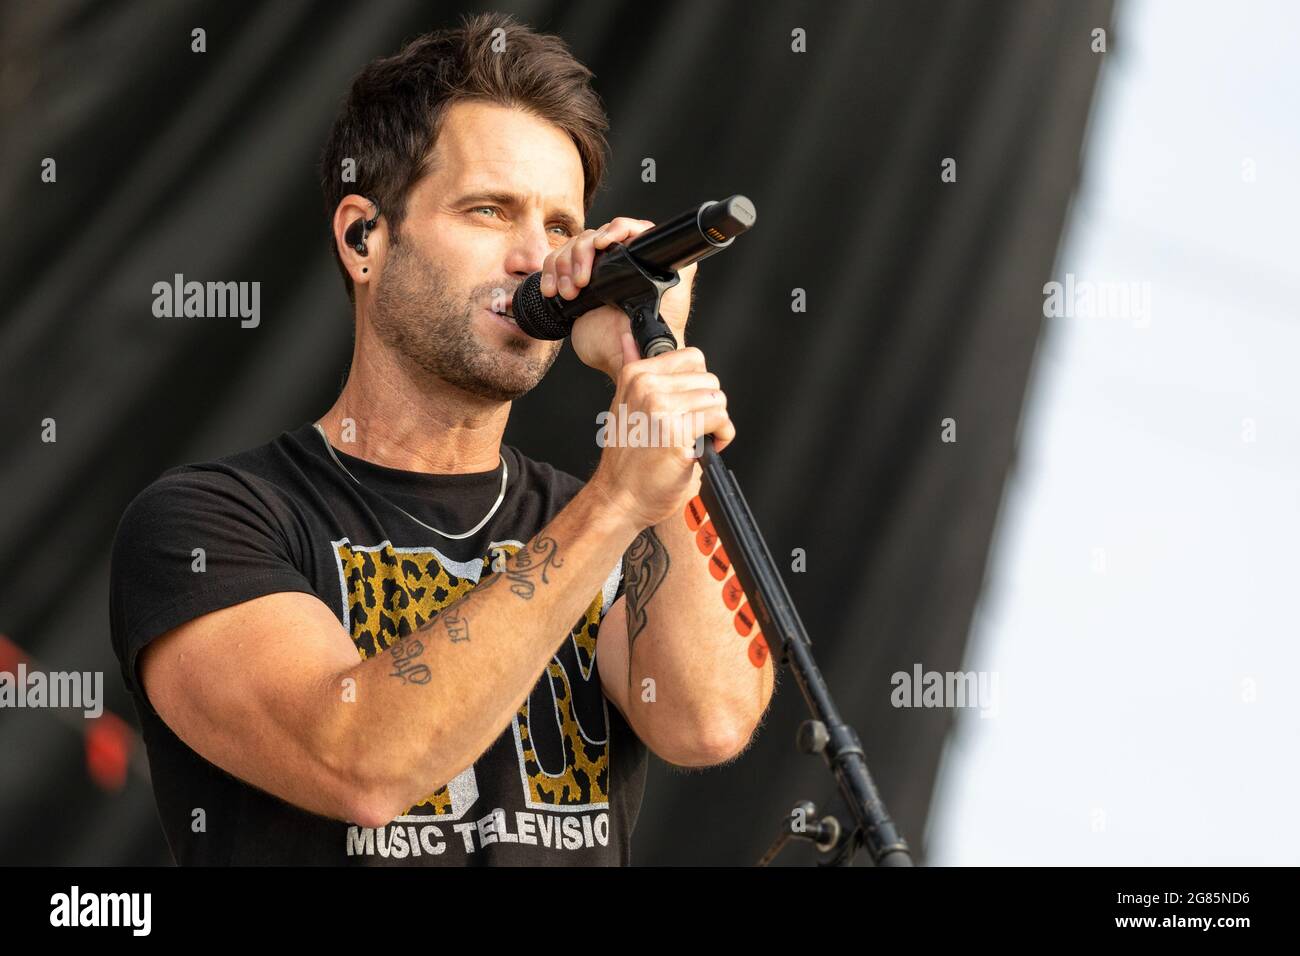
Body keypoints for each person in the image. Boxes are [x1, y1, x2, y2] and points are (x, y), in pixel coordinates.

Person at [109, 12, 774, 866]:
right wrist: (615, 505)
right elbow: (362, 766)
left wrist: (650, 357)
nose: (536, 257)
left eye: (563, 227)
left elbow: (707, 721)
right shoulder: (211, 523)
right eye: (491, 211)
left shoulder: (591, 516)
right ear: (363, 237)